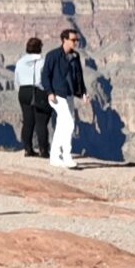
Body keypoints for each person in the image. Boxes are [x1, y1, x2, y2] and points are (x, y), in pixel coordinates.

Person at [41, 24, 87, 169]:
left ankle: (54, 156)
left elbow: (79, 75)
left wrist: (83, 92)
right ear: (64, 40)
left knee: (63, 125)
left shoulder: (75, 56)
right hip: (57, 95)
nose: (75, 43)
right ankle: (66, 156)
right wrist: (49, 92)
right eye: (73, 40)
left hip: (69, 95)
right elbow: (45, 75)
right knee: (68, 123)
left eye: (77, 40)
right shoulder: (53, 55)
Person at [13, 35, 48, 157]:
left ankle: (28, 149)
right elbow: (44, 79)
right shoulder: (42, 61)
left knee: (27, 121)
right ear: (39, 48)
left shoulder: (20, 62)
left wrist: (21, 91)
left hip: (23, 92)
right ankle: (43, 151)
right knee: (41, 122)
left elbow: (16, 80)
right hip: (38, 91)